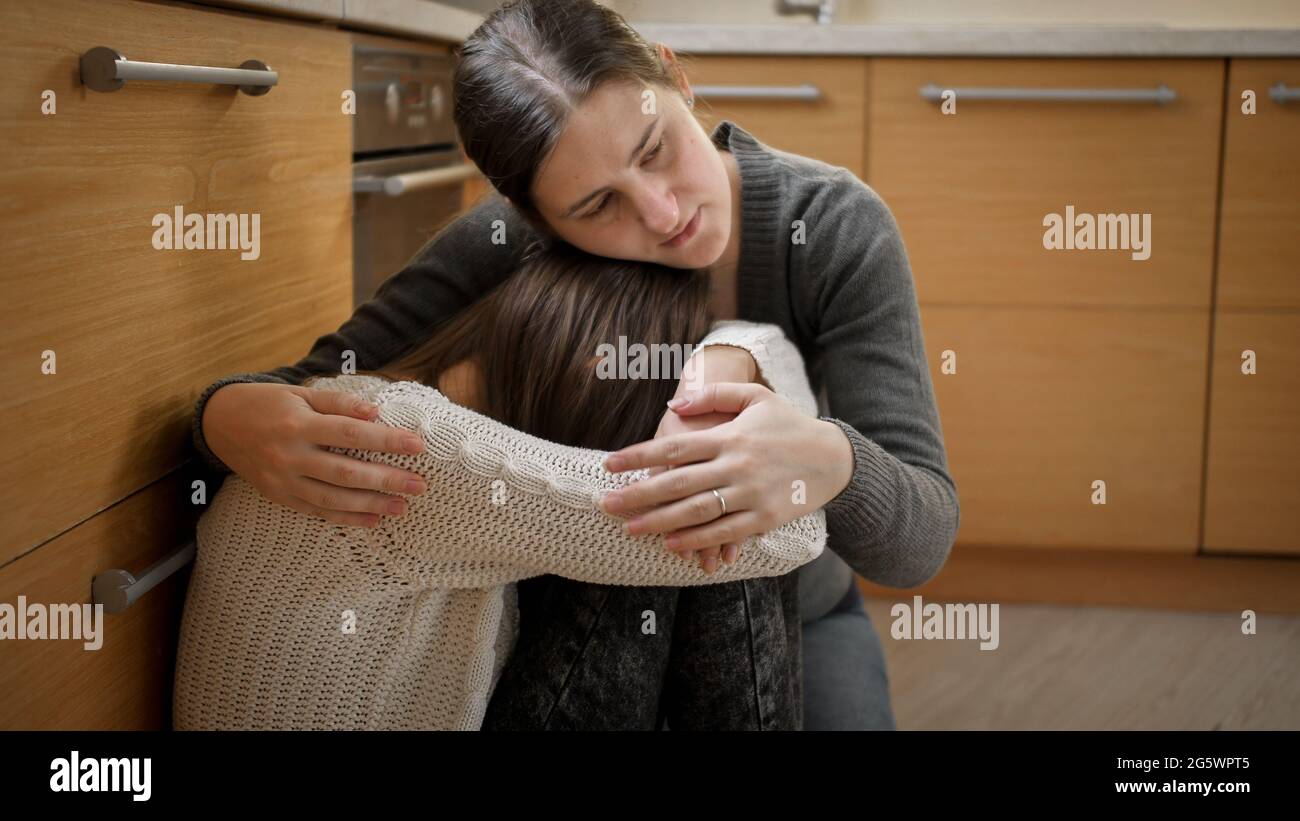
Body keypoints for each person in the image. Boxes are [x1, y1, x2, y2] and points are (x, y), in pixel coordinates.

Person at [191, 0, 960, 730]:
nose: (663, 214)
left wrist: (829, 458)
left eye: (656, 151)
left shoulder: (830, 226)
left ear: (675, 76)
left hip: (804, 603)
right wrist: (223, 418)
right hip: (572, 586)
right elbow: (307, 385)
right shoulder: (503, 242)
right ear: (535, 218)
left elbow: (919, 540)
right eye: (598, 207)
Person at [173, 243, 825, 730]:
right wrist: (744, 353)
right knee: (715, 524)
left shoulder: (390, 402)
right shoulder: (407, 441)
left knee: (713, 509)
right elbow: (796, 519)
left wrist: (730, 353)